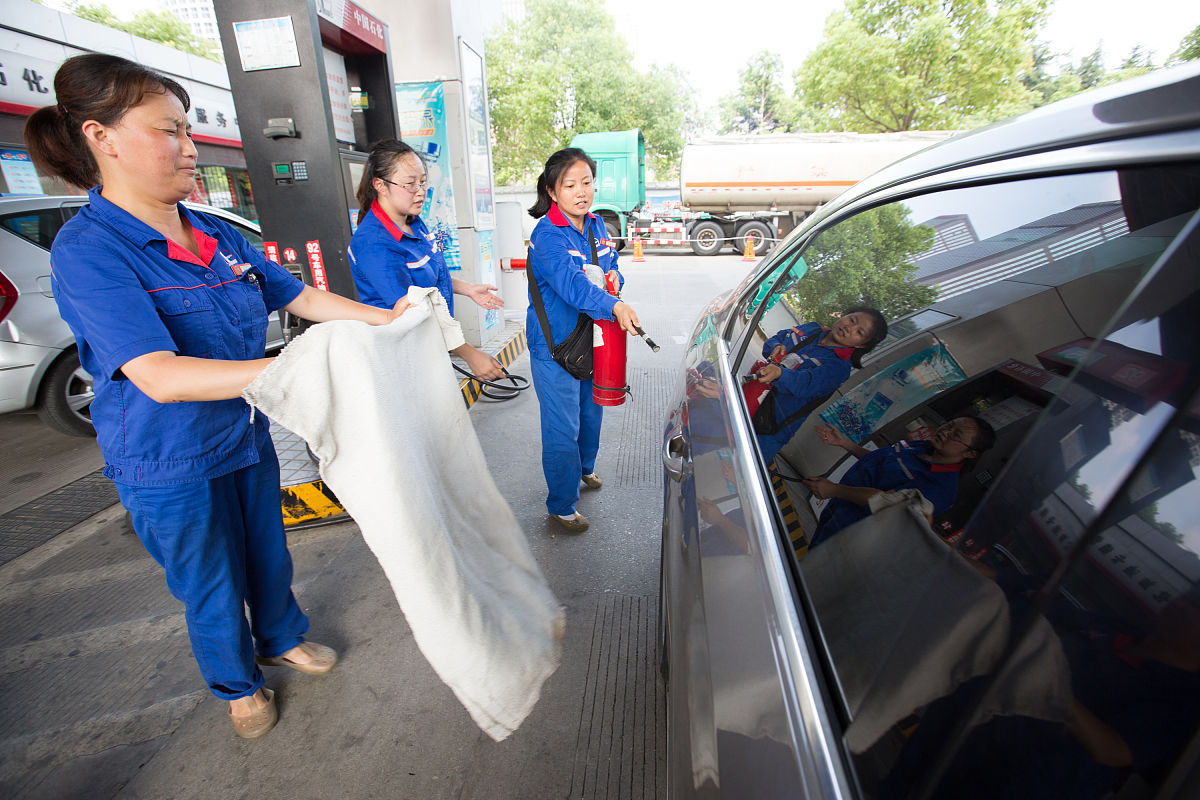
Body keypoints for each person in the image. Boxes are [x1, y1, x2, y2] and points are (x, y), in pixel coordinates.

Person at [25, 53, 414, 739]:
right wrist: (297, 370)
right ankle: (237, 684)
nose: (188, 147)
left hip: (242, 432)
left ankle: (281, 635)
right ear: (101, 137)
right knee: (208, 579)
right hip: (167, 460)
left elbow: (297, 294)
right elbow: (158, 374)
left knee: (268, 551)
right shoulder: (89, 251)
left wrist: (394, 322)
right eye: (167, 131)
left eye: (187, 130)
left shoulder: (212, 234)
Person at [526, 147, 641, 533]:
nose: (581, 191)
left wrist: (615, 287)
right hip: (555, 346)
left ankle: (585, 468)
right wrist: (614, 306)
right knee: (562, 426)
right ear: (552, 191)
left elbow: (612, 267)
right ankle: (561, 504)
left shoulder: (596, 226)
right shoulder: (547, 236)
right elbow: (573, 287)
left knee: (592, 412)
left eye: (587, 182)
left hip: (592, 339)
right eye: (570, 185)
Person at [348, 138, 504, 381]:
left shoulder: (413, 222)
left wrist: (468, 289)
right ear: (379, 184)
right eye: (410, 184)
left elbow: (430, 277)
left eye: (422, 182)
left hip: (430, 347)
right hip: (401, 357)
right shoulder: (374, 243)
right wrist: (469, 353)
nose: (420, 192)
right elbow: (412, 309)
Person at [804, 416, 996, 547]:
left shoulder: (941, 488)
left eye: (956, 435)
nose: (946, 432)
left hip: (853, 535)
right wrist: (845, 443)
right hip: (838, 511)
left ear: (970, 453)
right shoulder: (921, 447)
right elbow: (880, 462)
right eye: (949, 425)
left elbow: (888, 503)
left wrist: (836, 490)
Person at [751, 308, 888, 462]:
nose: (849, 328)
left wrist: (780, 373)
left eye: (859, 332)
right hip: (750, 397)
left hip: (767, 429)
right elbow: (778, 339)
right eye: (852, 320)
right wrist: (775, 346)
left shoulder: (839, 368)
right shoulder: (811, 329)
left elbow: (806, 384)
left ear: (862, 345)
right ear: (845, 314)